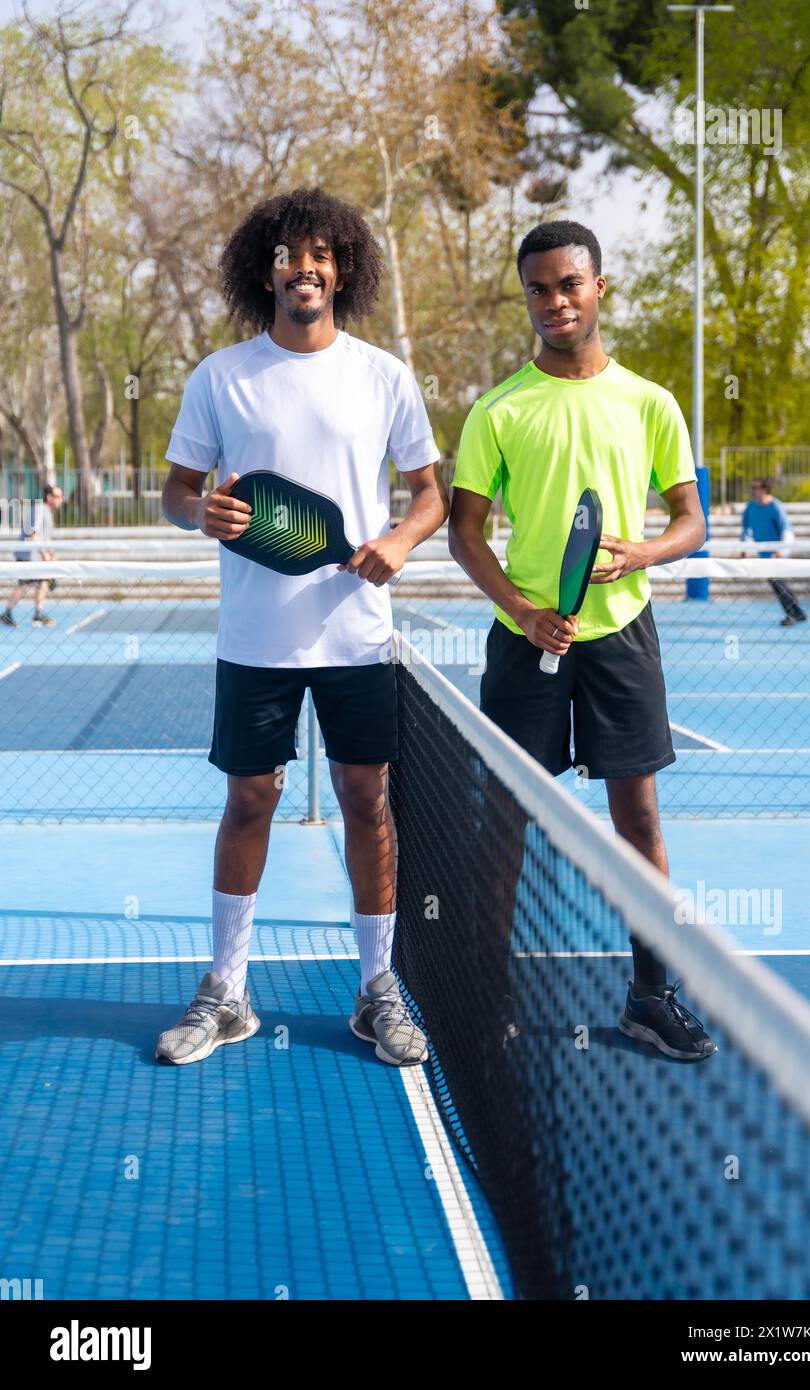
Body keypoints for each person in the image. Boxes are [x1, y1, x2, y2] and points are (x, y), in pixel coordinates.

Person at [157, 187, 447, 1067]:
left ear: (343, 270)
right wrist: (196, 514)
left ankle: (377, 990)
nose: (305, 268)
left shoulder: (384, 375)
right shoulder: (221, 375)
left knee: (368, 803)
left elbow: (431, 492)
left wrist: (399, 538)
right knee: (251, 800)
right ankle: (227, 992)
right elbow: (176, 490)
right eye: (288, 256)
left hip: (357, 638)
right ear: (266, 271)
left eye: (320, 255)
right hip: (255, 641)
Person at [449, 218, 716, 1062]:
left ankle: (651, 995)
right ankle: (487, 996)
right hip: (524, 643)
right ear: (526, 296)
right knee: (509, 821)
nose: (556, 301)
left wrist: (639, 552)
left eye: (570, 284)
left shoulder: (651, 402)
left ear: (601, 287)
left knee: (637, 816)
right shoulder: (497, 410)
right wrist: (525, 613)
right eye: (539, 288)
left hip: (622, 637)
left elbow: (690, 521)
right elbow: (464, 534)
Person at [740, 477, 806, 626]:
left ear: (764, 489)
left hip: (777, 554)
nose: (753, 490)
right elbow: (746, 530)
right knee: (778, 584)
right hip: (763, 555)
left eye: (756, 487)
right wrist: (744, 548)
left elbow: (786, 530)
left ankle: (793, 615)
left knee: (778, 584)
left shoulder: (776, 506)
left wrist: (781, 552)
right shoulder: (750, 507)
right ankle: (799, 613)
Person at [1, 484, 63, 628]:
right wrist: (44, 554)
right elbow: (32, 533)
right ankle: (9, 613)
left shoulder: (48, 512)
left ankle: (37, 614)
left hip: (35, 555)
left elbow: (46, 537)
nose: (61, 499)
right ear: (49, 497)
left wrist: (52, 554)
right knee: (24, 584)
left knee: (42, 582)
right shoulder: (39, 509)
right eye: (58, 496)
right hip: (27, 554)